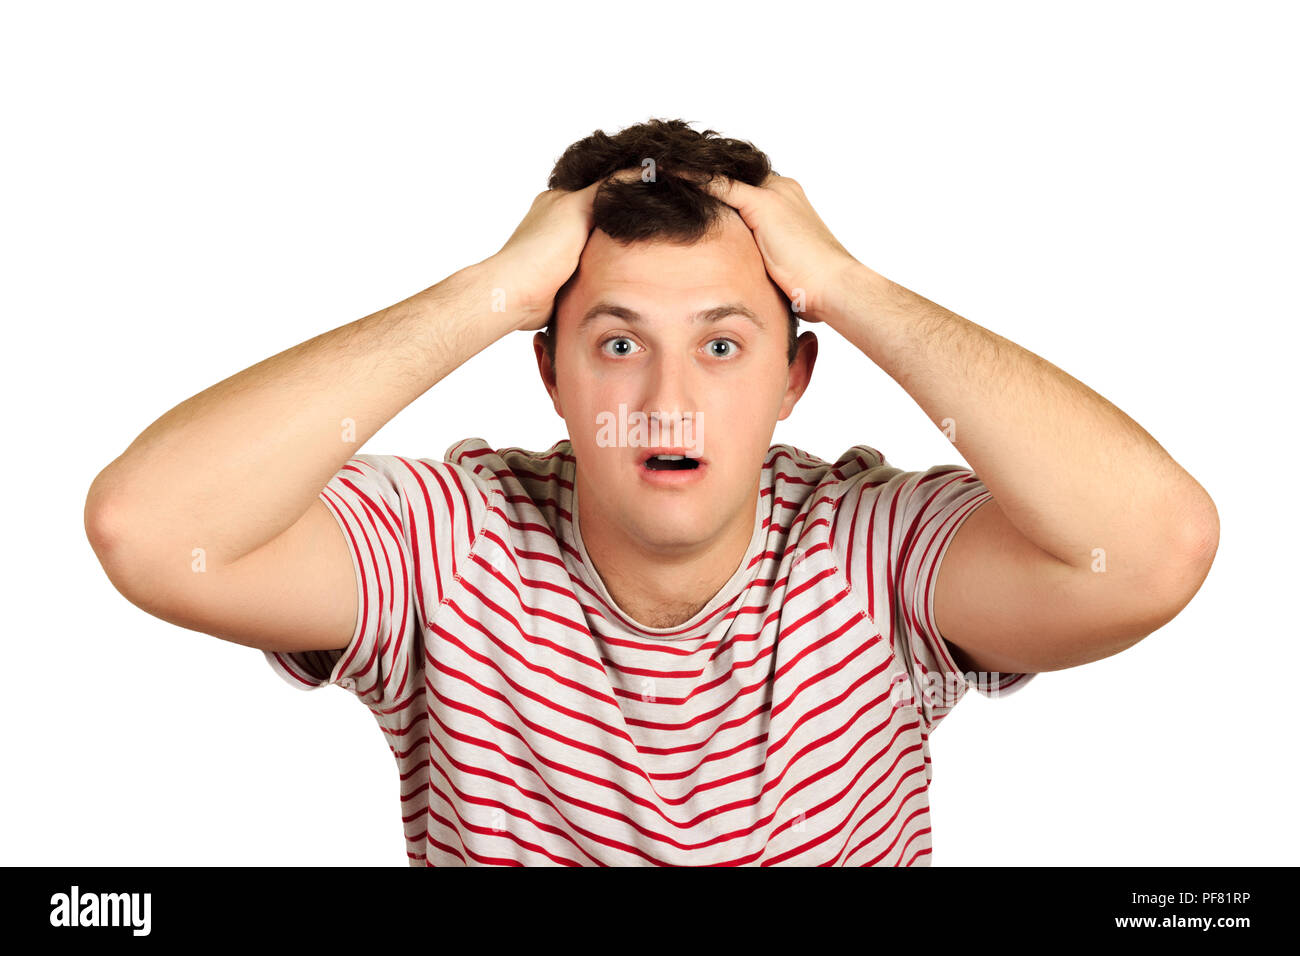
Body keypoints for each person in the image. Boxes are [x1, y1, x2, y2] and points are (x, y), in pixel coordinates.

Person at [83, 118, 1219, 866]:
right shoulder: (453, 538)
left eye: (723, 347)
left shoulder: (870, 546)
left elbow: (1153, 547)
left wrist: (847, 284)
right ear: (551, 372)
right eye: (617, 344)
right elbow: (151, 530)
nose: (669, 395)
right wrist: (488, 290)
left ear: (794, 377)